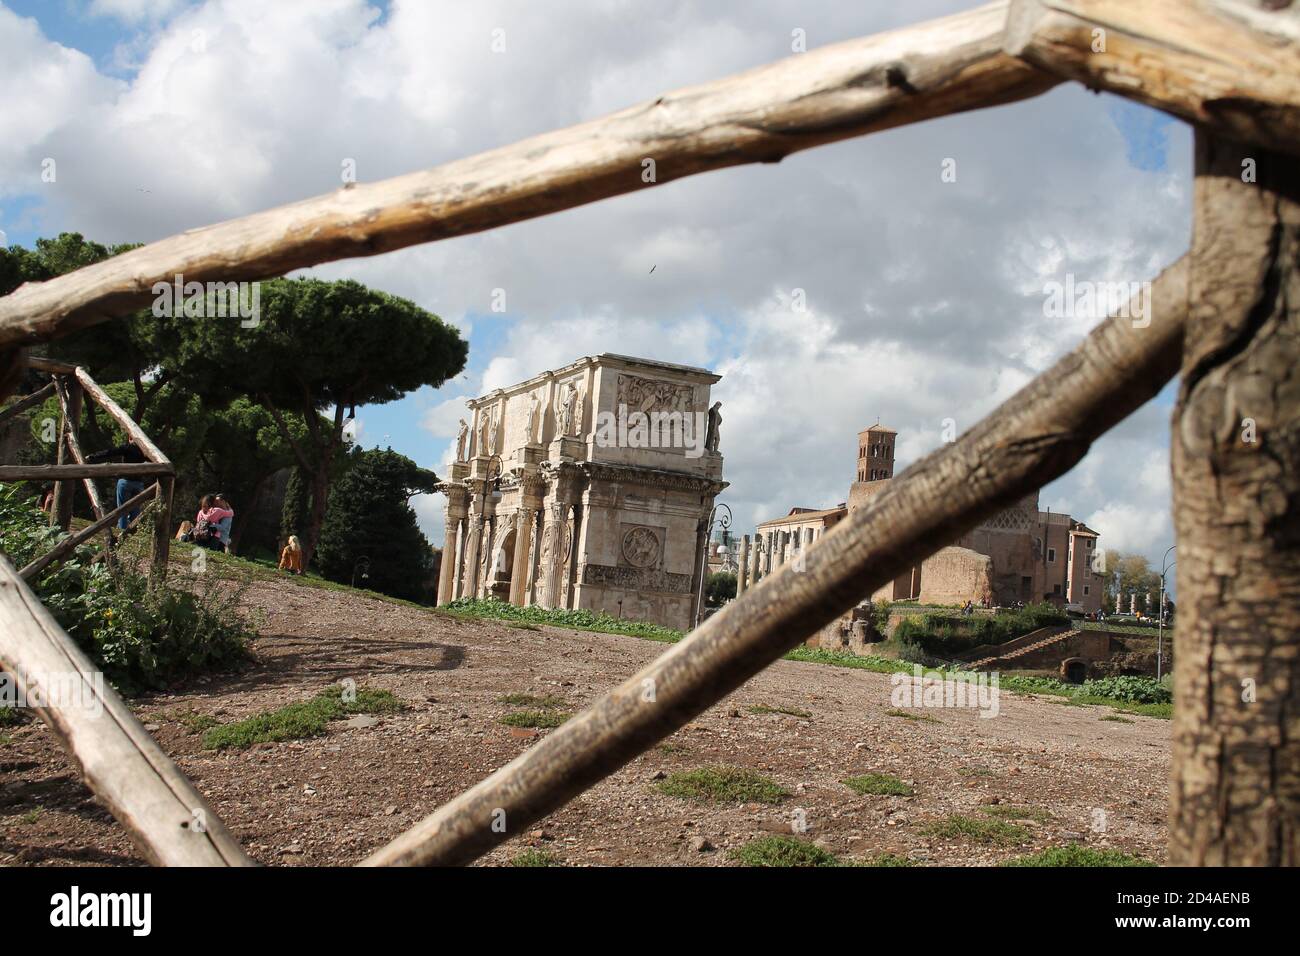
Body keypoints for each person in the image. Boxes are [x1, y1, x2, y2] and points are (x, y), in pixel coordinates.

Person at [85, 440, 147, 530]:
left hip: (126, 481)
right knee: (135, 509)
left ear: (130, 437)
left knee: (122, 509)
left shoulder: (128, 447)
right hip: (139, 483)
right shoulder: (144, 450)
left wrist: (93, 456)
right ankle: (134, 531)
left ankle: (122, 530)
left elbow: (110, 452)